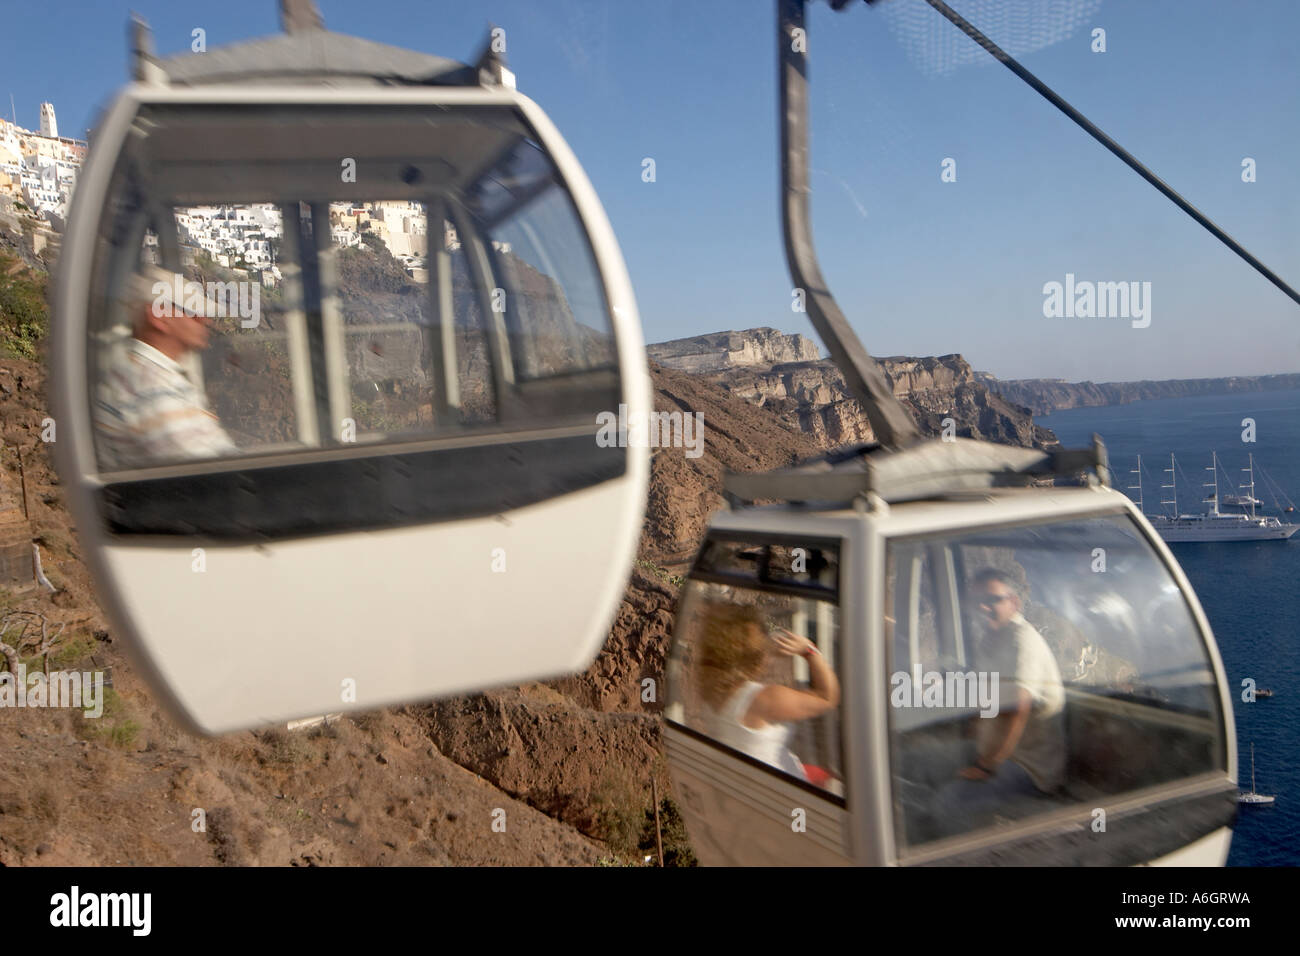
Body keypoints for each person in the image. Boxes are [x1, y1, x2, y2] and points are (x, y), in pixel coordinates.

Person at [931, 568, 1065, 830]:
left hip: (1026, 768)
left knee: (947, 803)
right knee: (921, 764)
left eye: (993, 600)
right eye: (977, 601)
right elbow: (987, 700)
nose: (983, 607)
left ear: (1014, 602)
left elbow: (1016, 709)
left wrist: (986, 766)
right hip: (996, 753)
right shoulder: (992, 639)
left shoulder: (1022, 642)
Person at [94, 264, 237, 469]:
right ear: (158, 316)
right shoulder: (149, 386)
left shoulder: (156, 375)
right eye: (193, 312)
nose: (205, 320)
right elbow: (207, 472)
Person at [694, 603, 840, 784]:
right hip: (783, 793)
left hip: (742, 785)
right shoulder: (764, 699)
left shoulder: (709, 689)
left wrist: (760, 650)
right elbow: (828, 698)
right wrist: (809, 650)